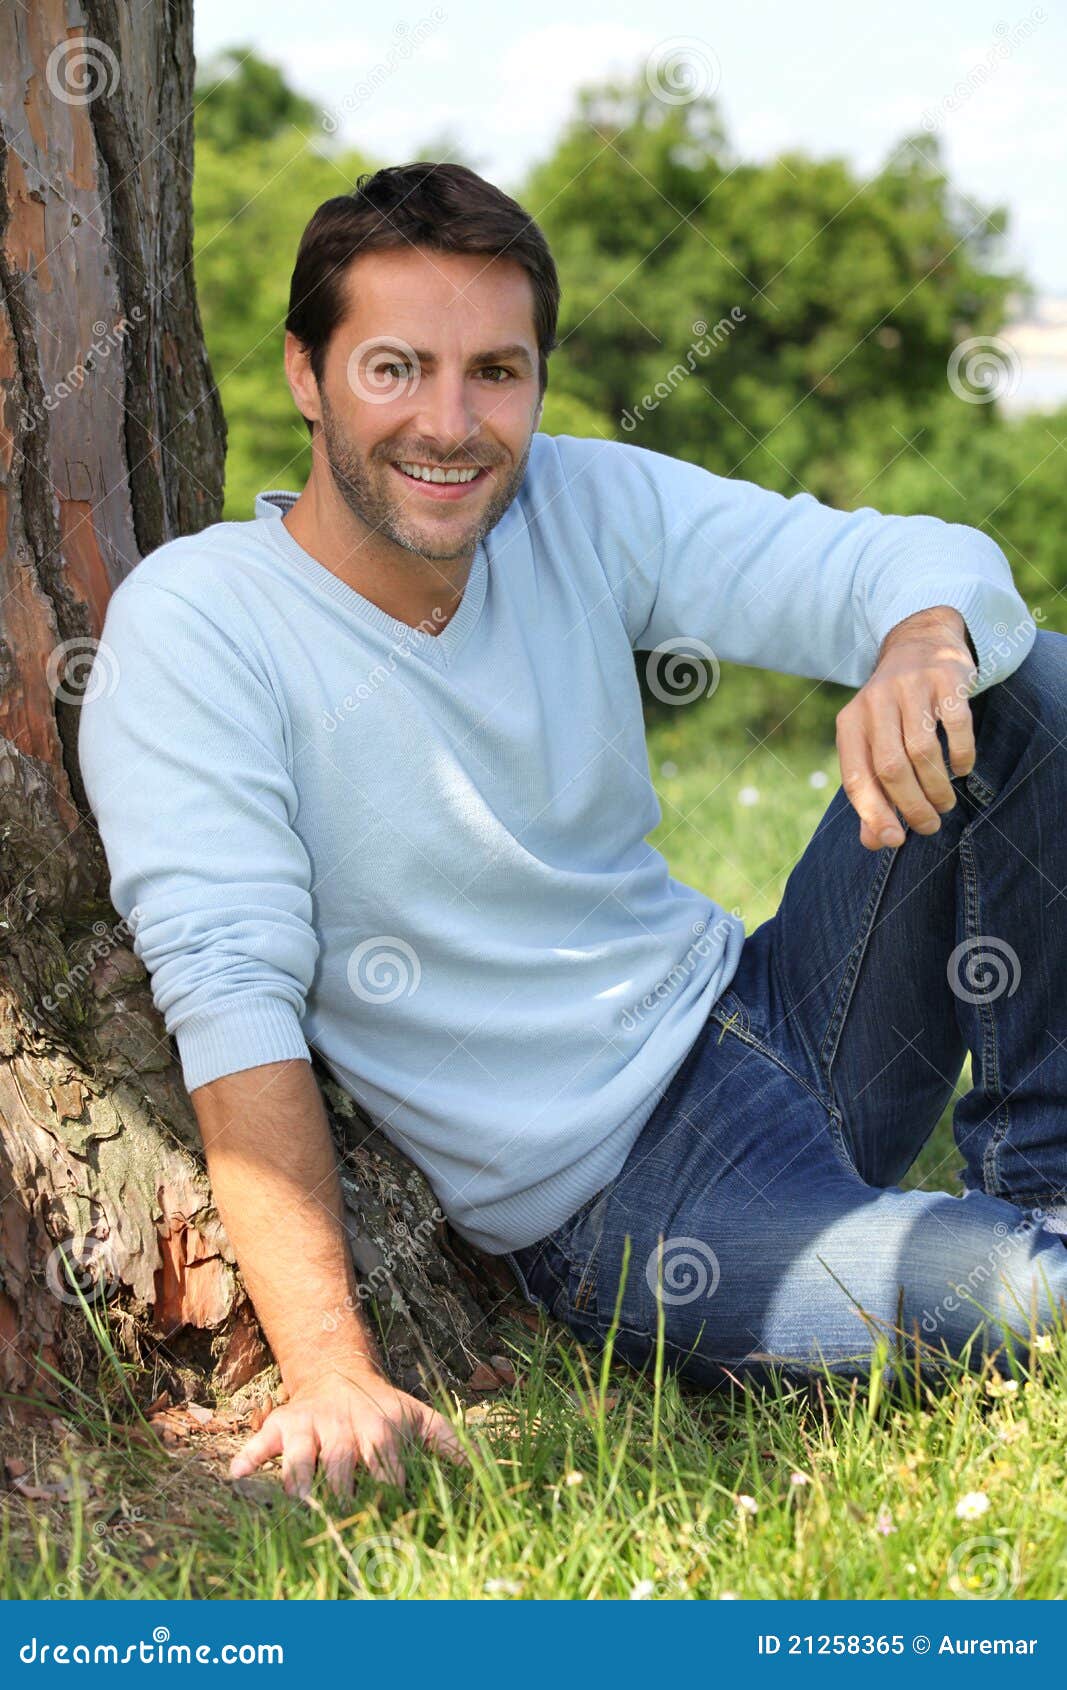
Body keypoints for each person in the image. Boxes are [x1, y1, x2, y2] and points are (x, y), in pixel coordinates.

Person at [78, 161, 1067, 1500]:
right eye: (394, 367)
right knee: (1020, 1300)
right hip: (632, 1198)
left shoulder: (577, 501)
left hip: (773, 1013)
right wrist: (330, 1368)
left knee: (1026, 682)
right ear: (307, 375)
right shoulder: (199, 624)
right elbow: (231, 995)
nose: (450, 420)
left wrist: (916, 645)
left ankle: (1041, 1177)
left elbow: (898, 558)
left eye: (496, 370)